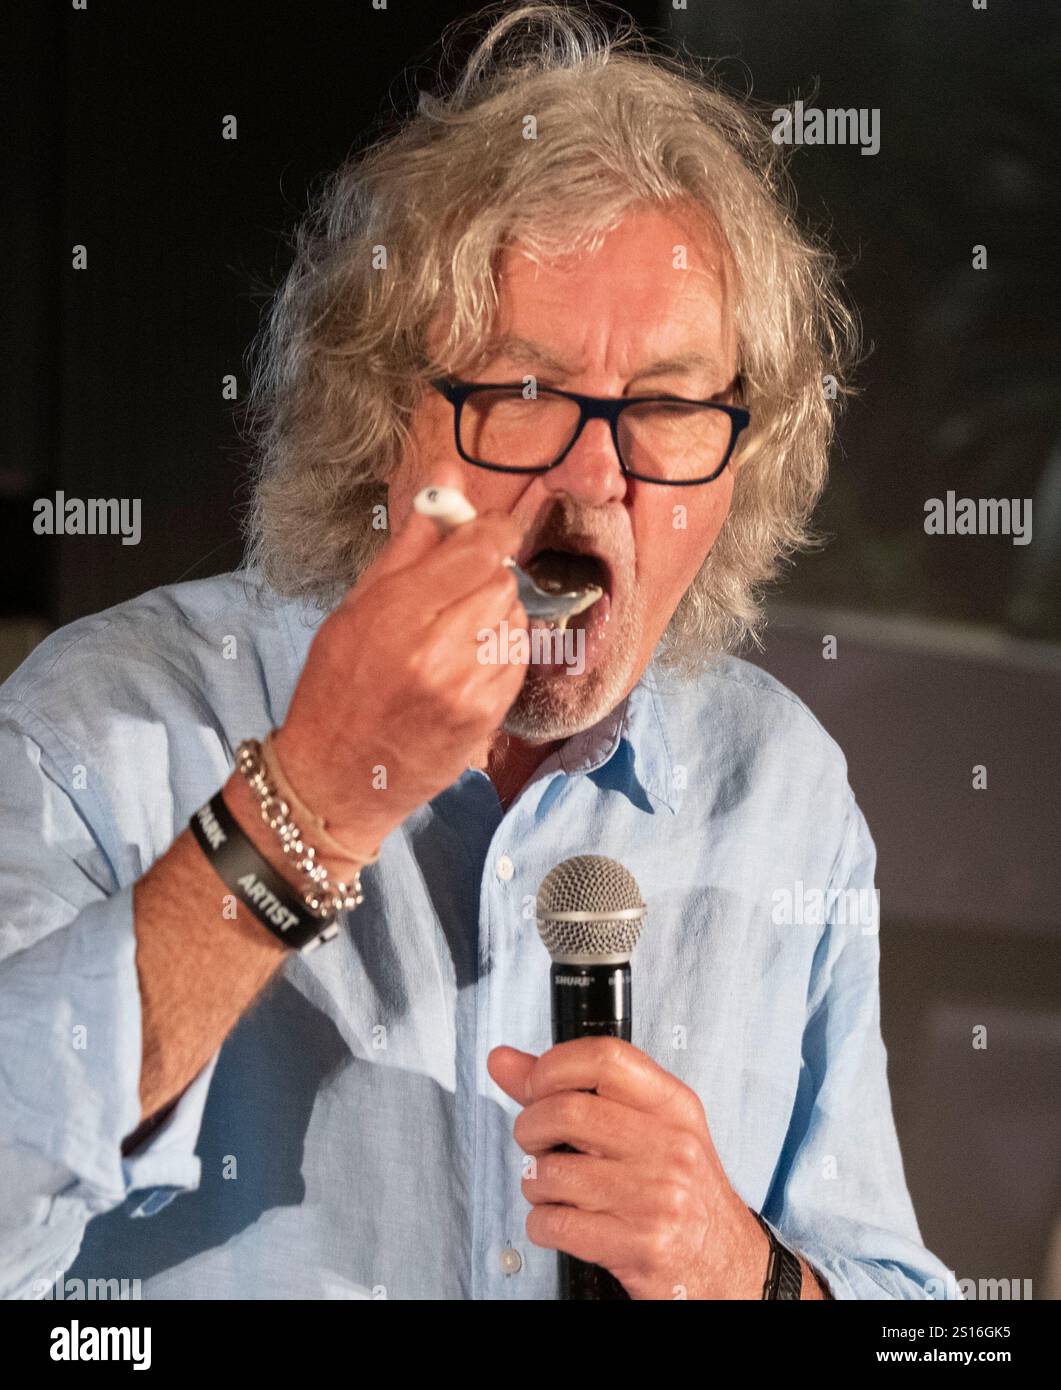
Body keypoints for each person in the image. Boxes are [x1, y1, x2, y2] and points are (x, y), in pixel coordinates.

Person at [0, 4, 960, 1300]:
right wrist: (314, 802)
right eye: (521, 394)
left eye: (669, 405)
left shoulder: (778, 787)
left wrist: (748, 1273)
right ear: (382, 414)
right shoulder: (95, 730)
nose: (593, 475)